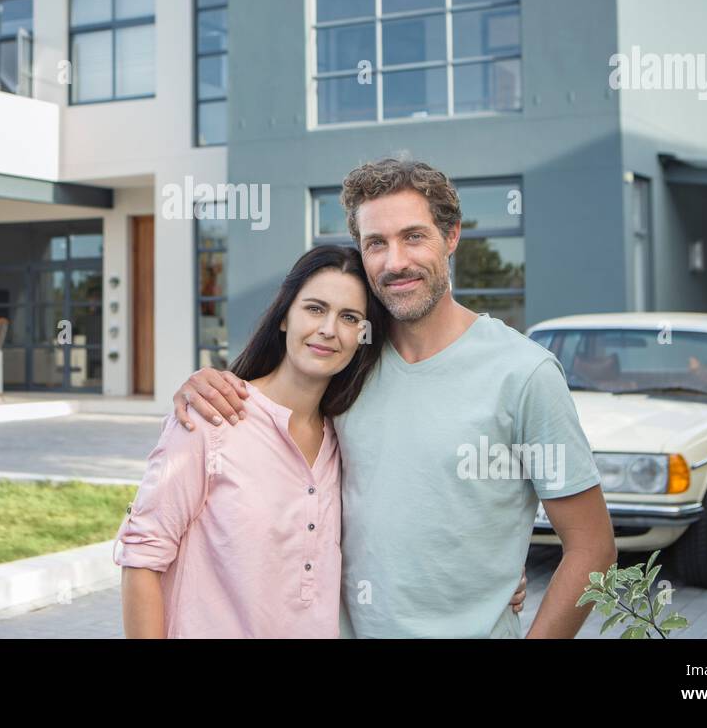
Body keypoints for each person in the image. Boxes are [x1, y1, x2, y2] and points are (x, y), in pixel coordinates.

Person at [172, 158, 617, 638]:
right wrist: (206, 383)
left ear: (451, 237)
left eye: (414, 236)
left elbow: (592, 548)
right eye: (375, 243)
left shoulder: (524, 374)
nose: (395, 261)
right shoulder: (347, 363)